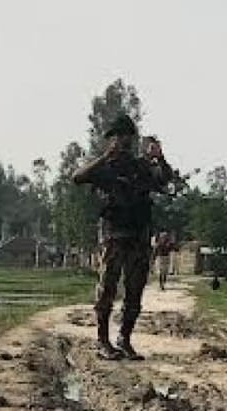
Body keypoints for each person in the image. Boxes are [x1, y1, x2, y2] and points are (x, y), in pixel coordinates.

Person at [72, 114, 175, 360]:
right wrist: (105, 158)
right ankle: (102, 340)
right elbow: (77, 177)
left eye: (126, 136)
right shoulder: (104, 167)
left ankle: (124, 339)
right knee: (107, 288)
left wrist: (160, 158)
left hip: (138, 235)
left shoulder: (141, 166)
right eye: (117, 137)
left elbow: (165, 179)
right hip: (113, 235)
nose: (122, 141)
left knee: (134, 291)